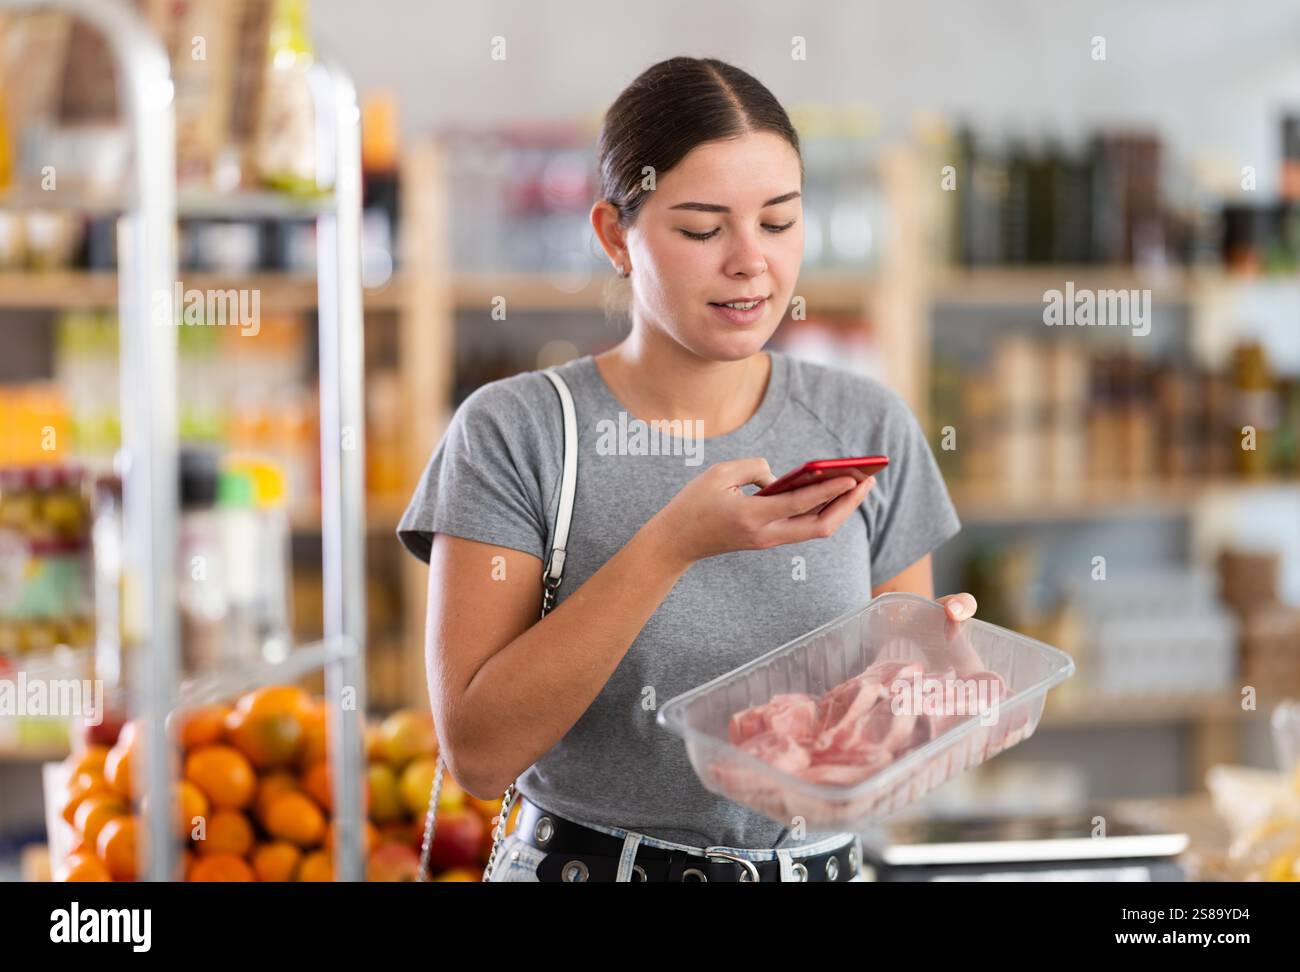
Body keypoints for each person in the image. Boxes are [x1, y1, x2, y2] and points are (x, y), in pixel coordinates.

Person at [397, 56, 977, 882]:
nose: (750, 262)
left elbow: (882, 746)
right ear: (614, 236)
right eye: (704, 230)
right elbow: (479, 755)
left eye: (778, 223)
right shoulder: (516, 432)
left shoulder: (865, 421)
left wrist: (934, 688)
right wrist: (672, 545)